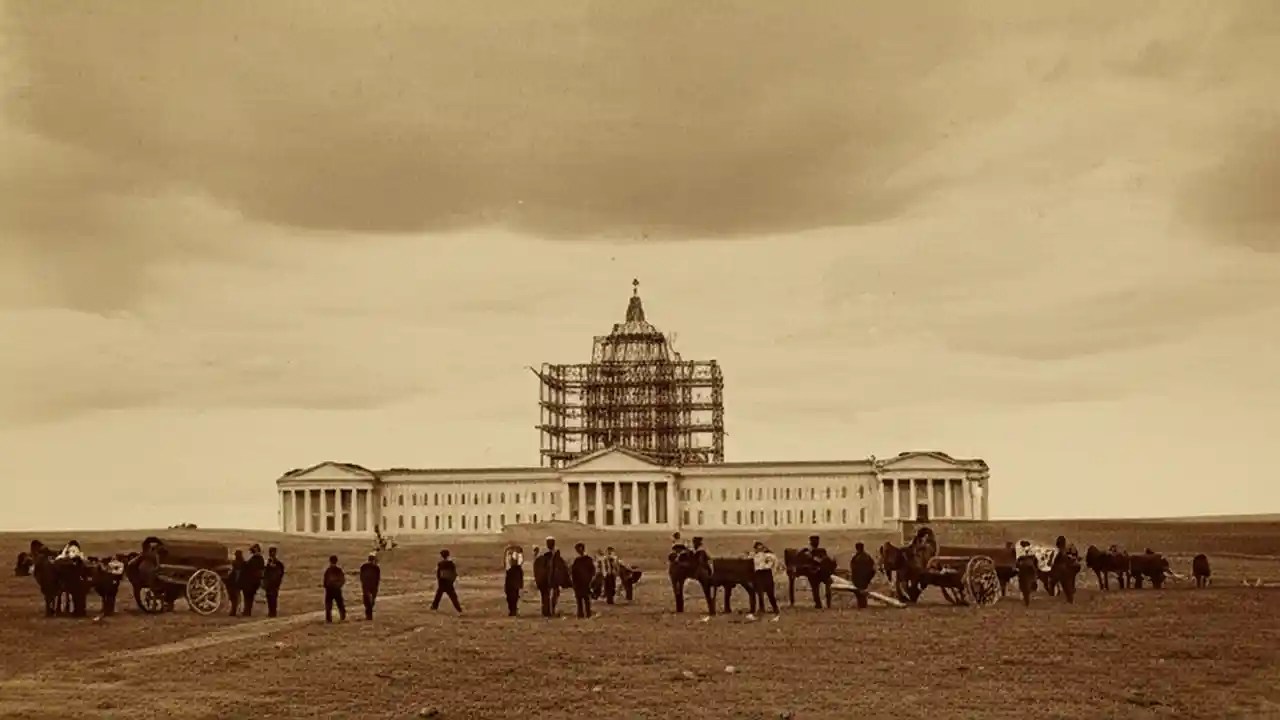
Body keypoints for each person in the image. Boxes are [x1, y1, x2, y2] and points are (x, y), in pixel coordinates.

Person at [534, 537, 570, 617]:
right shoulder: (554, 556)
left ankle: (547, 611)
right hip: (552, 579)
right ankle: (550, 610)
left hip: (548, 579)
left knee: (547, 596)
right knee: (551, 595)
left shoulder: (544, 556)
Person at [751, 542, 780, 614]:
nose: (760, 549)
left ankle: (775, 608)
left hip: (766, 574)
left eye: (761, 548)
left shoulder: (769, 556)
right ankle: (762, 608)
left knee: (770, 593)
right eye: (758, 548)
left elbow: (772, 564)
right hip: (759, 575)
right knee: (760, 593)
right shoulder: (754, 556)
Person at [570, 542, 597, 619]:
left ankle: (584, 614)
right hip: (582, 582)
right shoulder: (585, 559)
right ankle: (584, 614)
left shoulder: (580, 560)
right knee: (583, 599)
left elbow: (592, 571)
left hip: (584, 582)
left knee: (583, 599)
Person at [850, 542, 877, 609]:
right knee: (862, 593)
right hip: (865, 578)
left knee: (859, 593)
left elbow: (853, 568)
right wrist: (869, 577)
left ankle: (862, 606)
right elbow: (873, 568)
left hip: (859, 578)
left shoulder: (856, 557)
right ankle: (863, 605)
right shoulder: (867, 557)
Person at [241, 544, 265, 616]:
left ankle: (247, 611)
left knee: (248, 597)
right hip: (254, 580)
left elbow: (249, 567)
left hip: (251, 581)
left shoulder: (256, 559)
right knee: (249, 597)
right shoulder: (259, 559)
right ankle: (247, 611)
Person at [262, 547, 286, 618]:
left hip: (274, 584)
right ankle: (271, 612)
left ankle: (273, 612)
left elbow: (280, 573)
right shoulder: (269, 563)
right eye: (270, 552)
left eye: (272, 552)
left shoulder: (278, 564)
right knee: (270, 598)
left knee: (273, 598)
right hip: (269, 584)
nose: (271, 554)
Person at [322, 555, 346, 623]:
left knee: (328, 605)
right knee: (340, 604)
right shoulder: (338, 570)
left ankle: (328, 619)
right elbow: (342, 579)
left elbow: (325, 580)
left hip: (329, 590)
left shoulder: (328, 570)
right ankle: (342, 616)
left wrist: (326, 586)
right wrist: (339, 586)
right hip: (337, 589)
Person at [503, 544, 525, 617]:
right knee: (513, 594)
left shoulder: (509, 554)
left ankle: (513, 609)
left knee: (511, 594)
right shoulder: (518, 566)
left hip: (512, 575)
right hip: (514, 575)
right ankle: (513, 609)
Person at [360, 552, 381, 620]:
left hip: (367, 585)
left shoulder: (364, 566)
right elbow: (378, 578)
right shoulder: (376, 568)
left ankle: (368, 613)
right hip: (372, 586)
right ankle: (369, 614)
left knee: (368, 601)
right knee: (370, 601)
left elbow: (361, 576)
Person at [227, 550, 245, 617]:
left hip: (235, 583)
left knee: (234, 598)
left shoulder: (236, 563)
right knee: (236, 598)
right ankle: (236, 611)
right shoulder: (242, 563)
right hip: (238, 582)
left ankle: (234, 611)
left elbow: (237, 573)